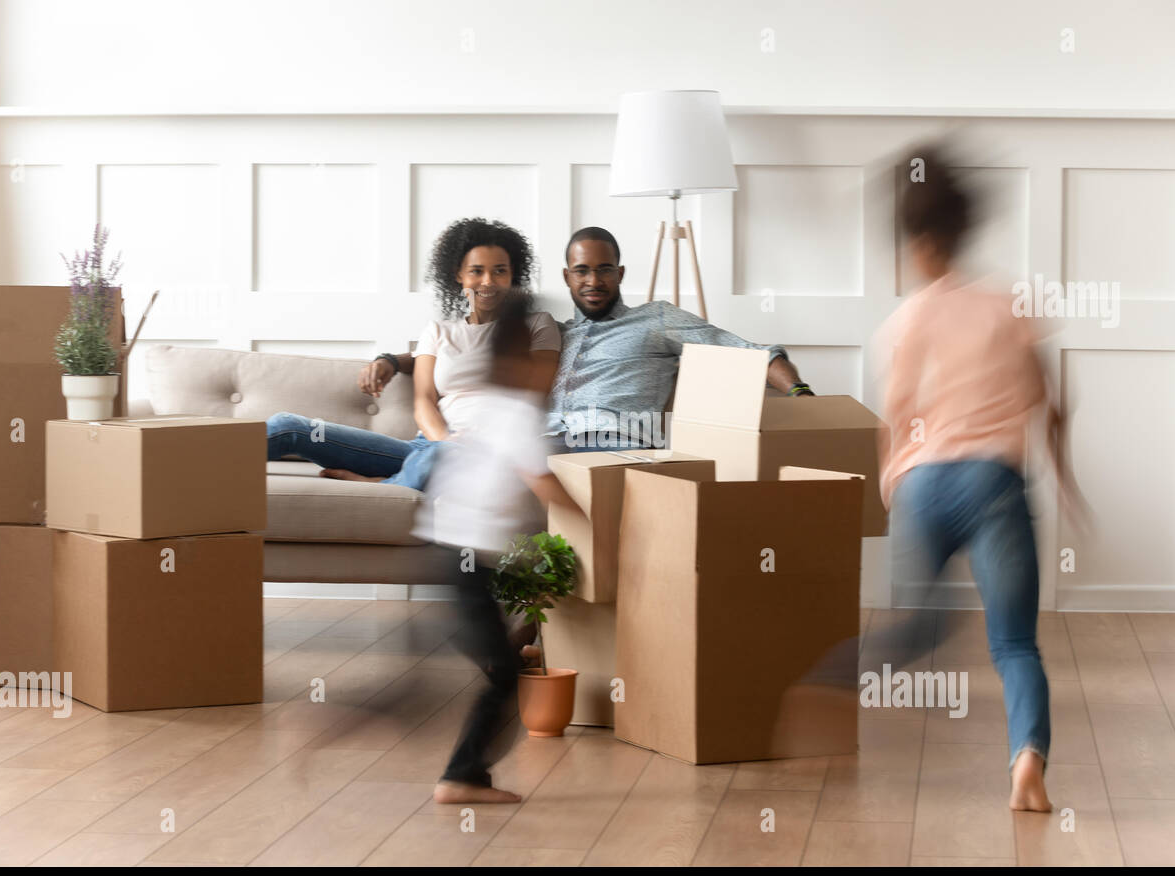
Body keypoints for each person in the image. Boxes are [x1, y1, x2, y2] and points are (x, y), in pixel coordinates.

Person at [873, 146, 1089, 813]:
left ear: (921, 244)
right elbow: (1052, 403)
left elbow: (897, 415)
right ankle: (1027, 762)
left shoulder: (908, 317)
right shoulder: (1011, 304)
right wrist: (1066, 480)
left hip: (926, 485)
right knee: (1016, 644)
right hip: (997, 485)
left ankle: (822, 681)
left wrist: (892, 485)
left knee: (916, 630)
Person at [414, 288, 583, 805]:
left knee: (501, 666)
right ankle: (460, 777)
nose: (546, 376)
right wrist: (601, 515)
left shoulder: (484, 408)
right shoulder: (517, 417)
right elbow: (545, 487)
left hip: (453, 556)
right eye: (539, 366)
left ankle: (462, 773)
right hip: (466, 566)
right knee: (505, 674)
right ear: (519, 362)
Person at [265, 218, 561, 489]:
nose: (488, 281)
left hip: (489, 454)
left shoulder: (535, 326)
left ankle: (383, 485)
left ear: (513, 276)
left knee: (443, 461)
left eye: (500, 271)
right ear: (458, 275)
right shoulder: (437, 331)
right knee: (287, 426)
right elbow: (424, 402)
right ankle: (218, 460)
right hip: (426, 449)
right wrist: (445, 442)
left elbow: (533, 393)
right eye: (476, 271)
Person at [545, 226, 815, 454]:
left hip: (614, 444)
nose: (594, 281)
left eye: (605, 270)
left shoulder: (656, 318)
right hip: (545, 446)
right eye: (581, 271)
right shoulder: (552, 333)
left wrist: (799, 393)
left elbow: (750, 354)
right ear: (567, 277)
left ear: (620, 273)